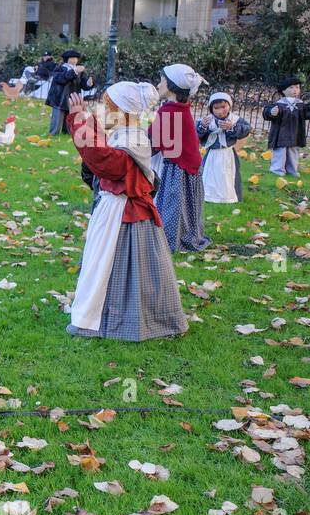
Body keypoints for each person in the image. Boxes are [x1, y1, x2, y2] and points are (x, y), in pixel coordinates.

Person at [64, 83, 188, 342]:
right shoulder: (125, 133)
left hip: (124, 211)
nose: (104, 113)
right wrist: (83, 119)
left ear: (124, 112)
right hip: (114, 208)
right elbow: (102, 147)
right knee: (106, 263)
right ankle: (112, 312)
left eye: (109, 108)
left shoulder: (133, 139)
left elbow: (107, 161)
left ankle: (123, 317)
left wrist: (79, 121)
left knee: (116, 264)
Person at [151, 63, 208, 252]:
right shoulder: (179, 107)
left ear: (172, 86)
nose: (158, 85)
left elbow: (155, 142)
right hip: (189, 164)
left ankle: (170, 239)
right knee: (185, 204)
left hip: (178, 166)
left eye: (162, 81)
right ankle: (188, 234)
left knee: (172, 203)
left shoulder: (168, 110)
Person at [262, 77, 310, 177]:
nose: (295, 90)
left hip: (295, 133)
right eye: (291, 87)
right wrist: (271, 112)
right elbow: (267, 112)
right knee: (280, 152)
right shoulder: (279, 104)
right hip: (280, 135)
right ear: (283, 90)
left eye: (297, 87)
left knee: (293, 152)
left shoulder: (300, 105)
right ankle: (277, 169)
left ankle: (292, 170)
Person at [197, 92, 252, 204]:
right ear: (211, 109)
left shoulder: (235, 119)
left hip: (228, 154)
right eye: (216, 108)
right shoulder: (207, 120)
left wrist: (232, 127)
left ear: (229, 106)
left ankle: (229, 196)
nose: (220, 111)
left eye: (223, 107)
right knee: (209, 175)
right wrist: (202, 126)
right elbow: (196, 135)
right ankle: (209, 195)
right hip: (212, 154)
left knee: (229, 175)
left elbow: (247, 129)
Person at [46, 49, 94, 135]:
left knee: (71, 115)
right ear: (67, 59)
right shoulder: (60, 68)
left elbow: (83, 85)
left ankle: (68, 131)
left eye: (76, 58)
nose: (75, 60)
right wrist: (74, 71)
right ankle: (53, 132)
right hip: (60, 97)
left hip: (73, 97)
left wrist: (88, 83)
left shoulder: (79, 71)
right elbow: (61, 79)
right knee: (58, 117)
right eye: (72, 58)